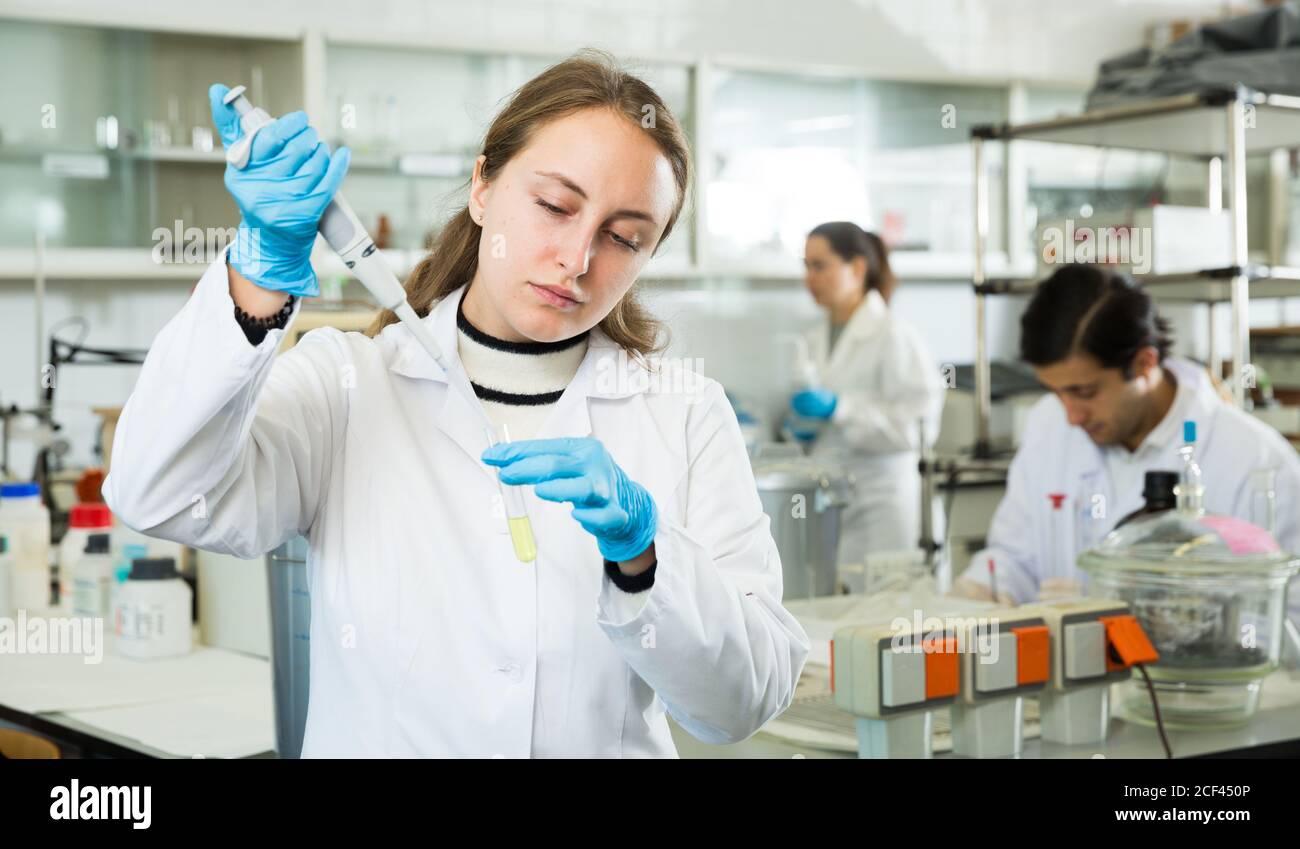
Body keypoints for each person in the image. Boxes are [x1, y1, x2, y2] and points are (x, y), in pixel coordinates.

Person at [103, 52, 809, 757]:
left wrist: (646, 556)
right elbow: (157, 491)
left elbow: (746, 699)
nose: (578, 257)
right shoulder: (348, 387)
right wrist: (255, 273)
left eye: (625, 237)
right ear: (482, 186)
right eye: (555, 206)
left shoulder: (684, 412)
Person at [952, 264, 1300, 605]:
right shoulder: (1048, 423)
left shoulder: (1256, 461)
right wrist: (982, 589)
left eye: (1085, 392)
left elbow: (1288, 617)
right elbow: (1014, 557)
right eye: (1057, 392)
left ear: (1144, 363)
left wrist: (1135, 612)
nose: (1071, 415)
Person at [789, 222, 944, 561]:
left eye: (820, 265)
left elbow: (918, 428)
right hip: (836, 499)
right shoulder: (815, 338)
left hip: (884, 504)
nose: (810, 278)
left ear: (857, 268)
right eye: (806, 266)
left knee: (889, 606)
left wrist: (840, 409)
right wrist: (803, 430)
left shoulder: (894, 334)